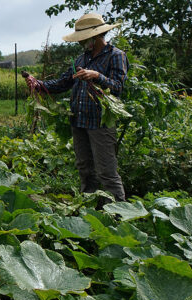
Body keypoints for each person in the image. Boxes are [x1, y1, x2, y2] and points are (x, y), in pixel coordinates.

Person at [26, 13, 129, 202]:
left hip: (100, 122)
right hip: (79, 120)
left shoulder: (116, 56)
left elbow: (118, 87)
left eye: (84, 39)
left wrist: (97, 76)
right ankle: (91, 207)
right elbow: (63, 83)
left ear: (97, 36)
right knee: (85, 168)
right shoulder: (81, 60)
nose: (82, 43)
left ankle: (117, 214)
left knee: (106, 171)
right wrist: (38, 84)